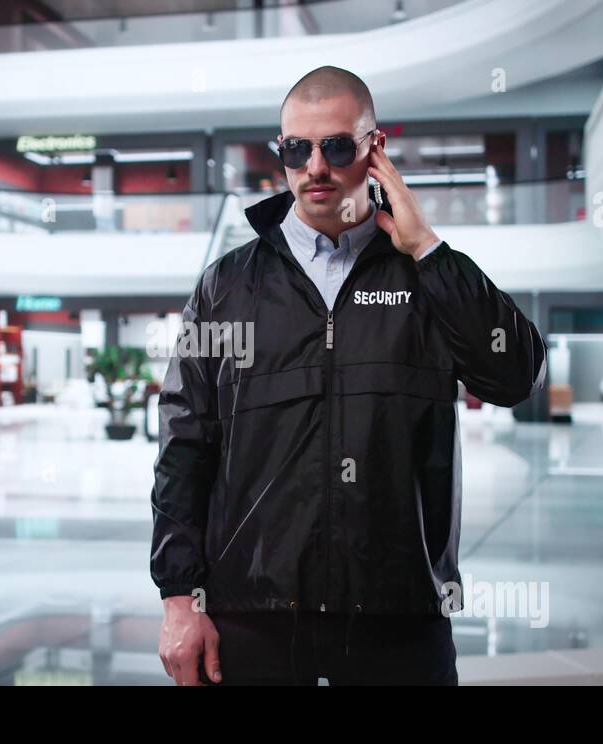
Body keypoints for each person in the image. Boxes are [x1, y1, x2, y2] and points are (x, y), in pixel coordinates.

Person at [151, 66, 547, 685]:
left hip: (401, 621)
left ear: (374, 149)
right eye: (295, 149)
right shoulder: (226, 287)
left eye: (337, 146)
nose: (315, 167)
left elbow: (516, 376)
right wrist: (180, 597)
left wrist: (431, 252)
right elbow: (184, 445)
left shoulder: (426, 278)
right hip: (253, 619)